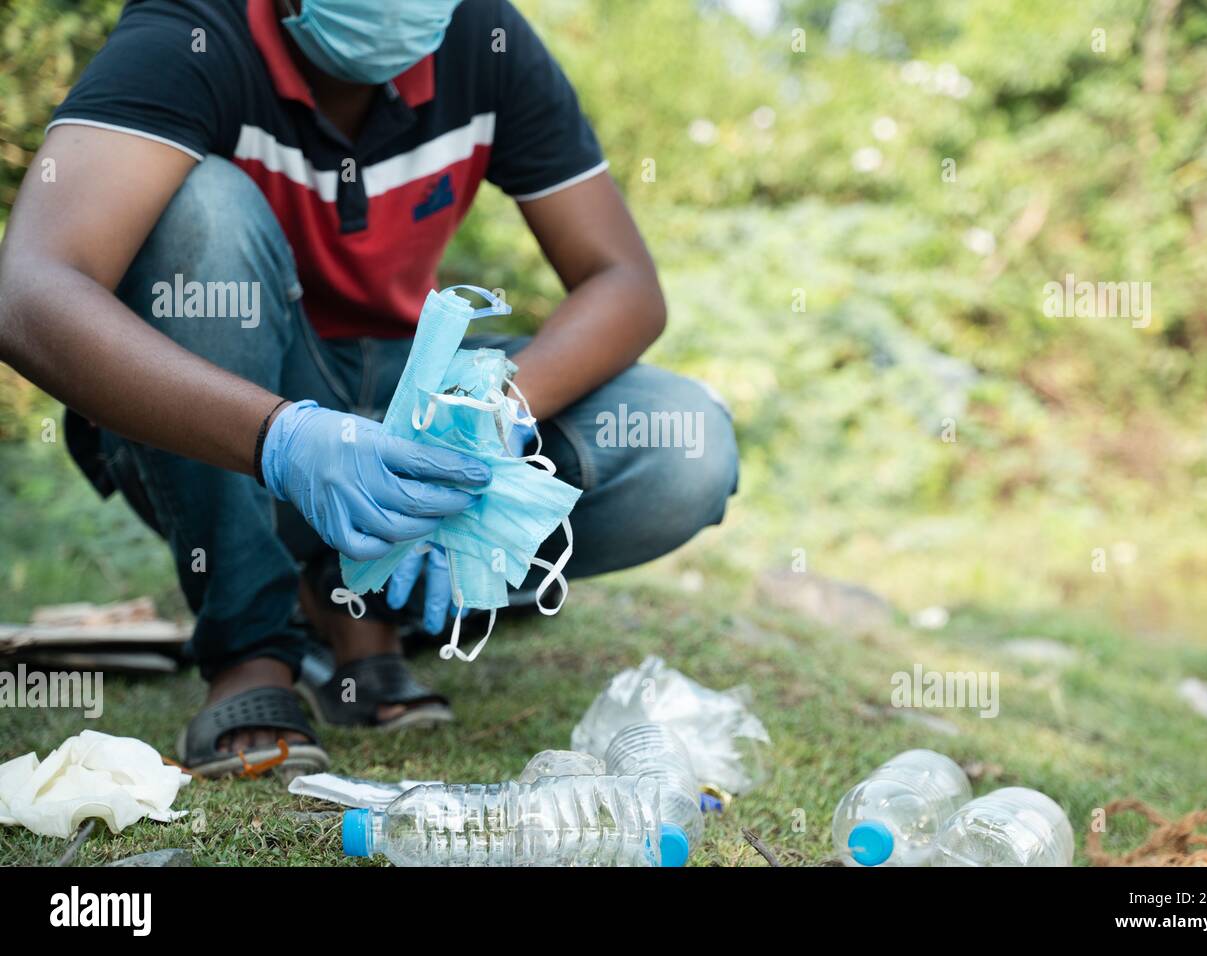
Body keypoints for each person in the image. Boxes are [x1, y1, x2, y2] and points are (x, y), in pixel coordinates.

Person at [0, 0, 738, 777]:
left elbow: (624, 282)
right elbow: (31, 292)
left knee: (679, 443)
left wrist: (494, 410)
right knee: (198, 208)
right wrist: (283, 438)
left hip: (405, 385)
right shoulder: (191, 33)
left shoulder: (484, 40)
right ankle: (251, 647)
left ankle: (365, 601)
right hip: (242, 410)